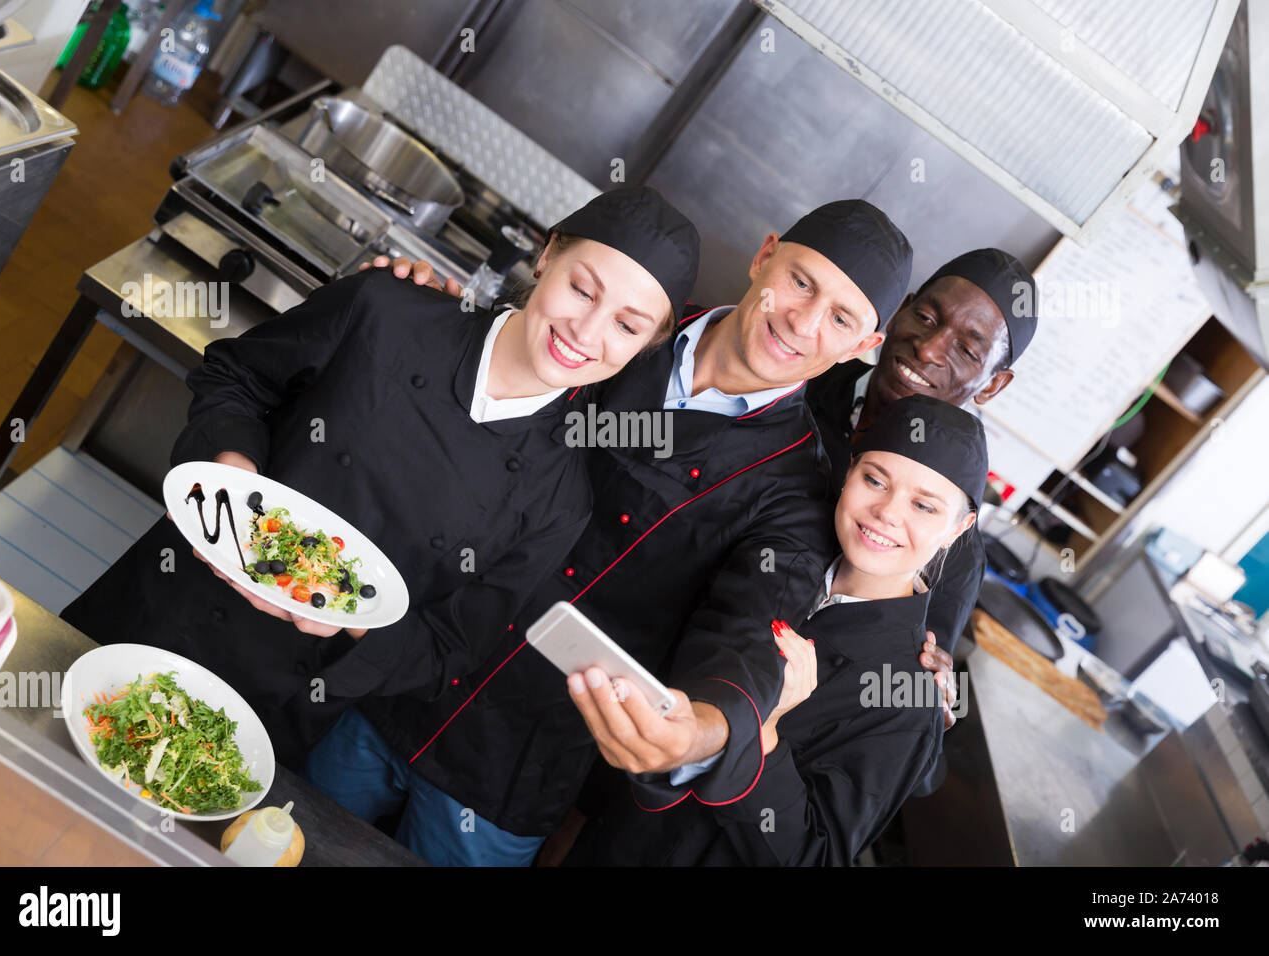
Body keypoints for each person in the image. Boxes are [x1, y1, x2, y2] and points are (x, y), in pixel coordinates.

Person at [308, 200, 914, 864]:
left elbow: (751, 632)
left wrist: (704, 732)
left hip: (508, 771)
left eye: (841, 317)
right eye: (801, 281)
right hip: (394, 671)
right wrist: (425, 314)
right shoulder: (622, 315)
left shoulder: (796, 494)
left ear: (864, 346)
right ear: (764, 255)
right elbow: (486, 369)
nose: (803, 321)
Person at [60, 186, 701, 786]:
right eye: (582, 290)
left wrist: (355, 624)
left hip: (269, 712)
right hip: (165, 608)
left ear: (647, 346)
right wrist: (230, 461)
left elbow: (450, 647)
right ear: (546, 256)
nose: (586, 334)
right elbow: (238, 379)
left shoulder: (559, 500)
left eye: (627, 325)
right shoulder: (386, 309)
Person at [564, 394, 988, 865]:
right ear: (848, 473)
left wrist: (764, 729)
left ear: (959, 527)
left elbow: (815, 857)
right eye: (874, 479)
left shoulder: (907, 698)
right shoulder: (776, 560)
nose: (888, 512)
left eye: (924, 507)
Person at [804, 248, 1039, 729]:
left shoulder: (953, 549)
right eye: (927, 316)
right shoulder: (802, 379)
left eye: (968, 350)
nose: (930, 349)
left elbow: (918, 686)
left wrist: (934, 689)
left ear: (993, 386)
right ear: (901, 308)